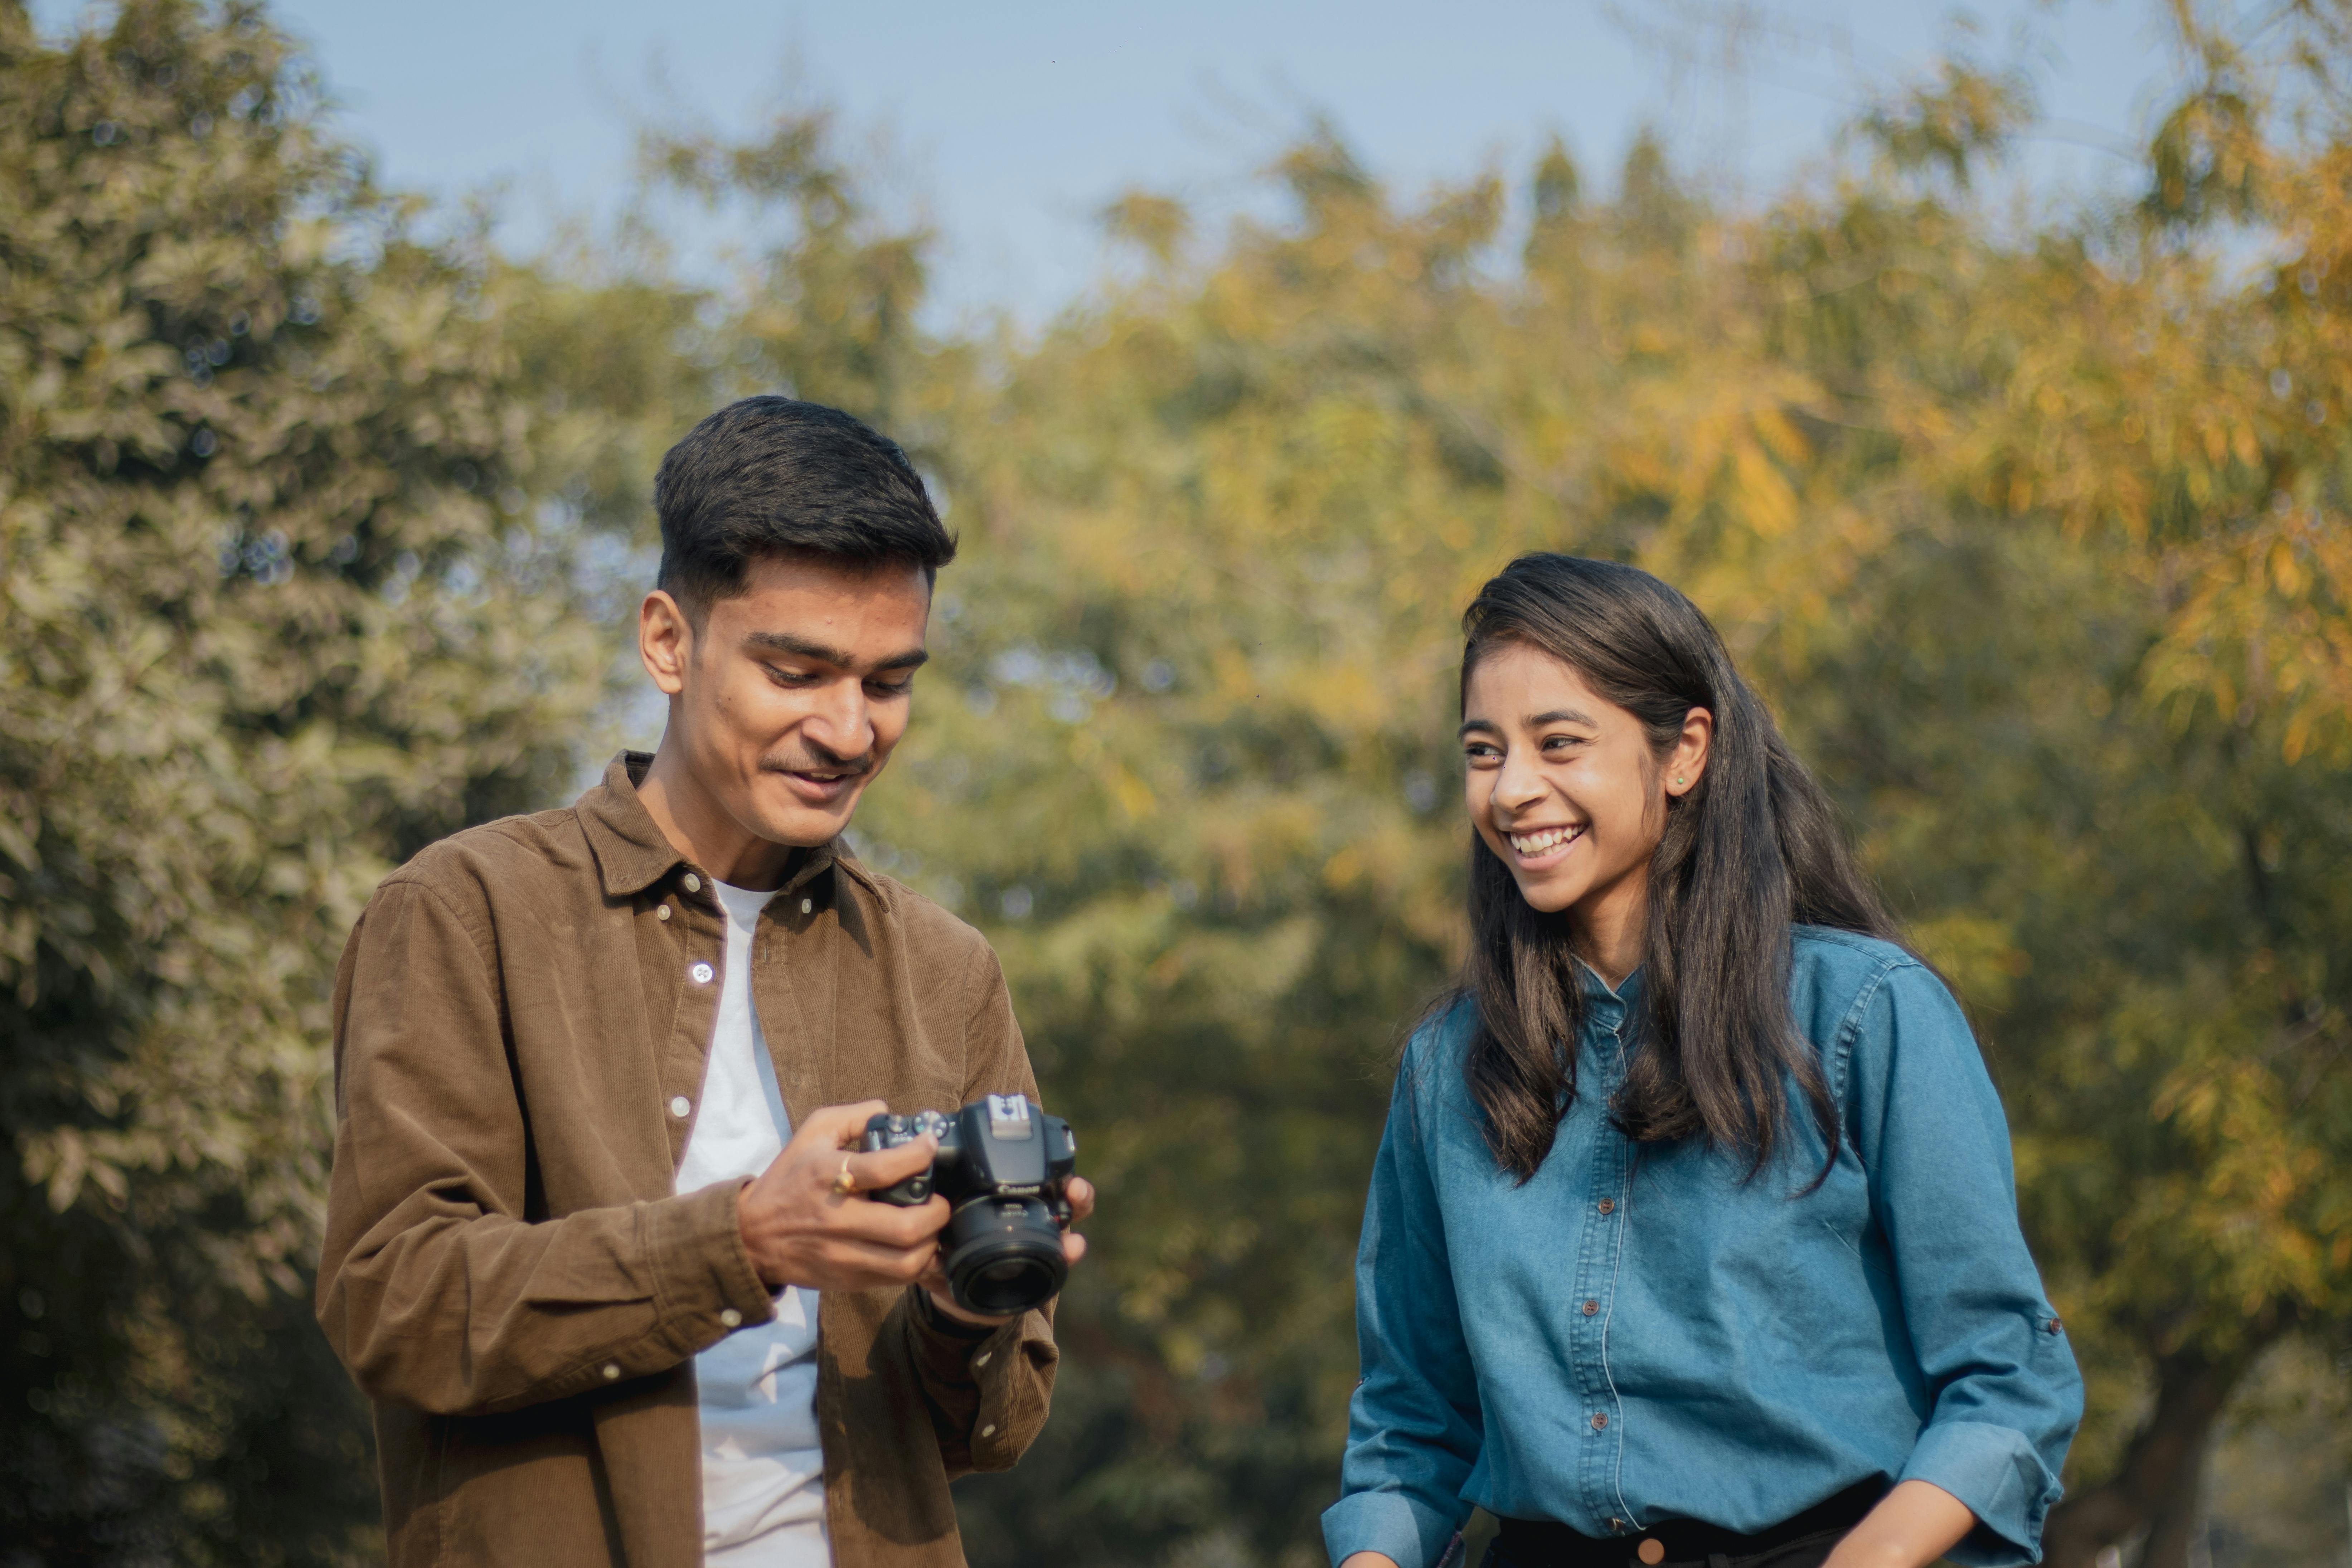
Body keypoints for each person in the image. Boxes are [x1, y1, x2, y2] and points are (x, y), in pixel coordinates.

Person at [316, 396, 1093, 1568]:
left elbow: (996, 1427)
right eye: (797, 671)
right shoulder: (466, 911)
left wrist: (966, 1303)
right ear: (669, 642)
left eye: (888, 684)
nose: (848, 729)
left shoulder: (945, 970)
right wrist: (743, 1243)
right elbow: (399, 1303)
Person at [1324, 555, 2081, 1568]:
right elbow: (1407, 1432)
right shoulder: (1443, 1069)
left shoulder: (1863, 1014)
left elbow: (2006, 1385)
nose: (1512, 790)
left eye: (1558, 743)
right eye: (1482, 751)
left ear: (1685, 751)